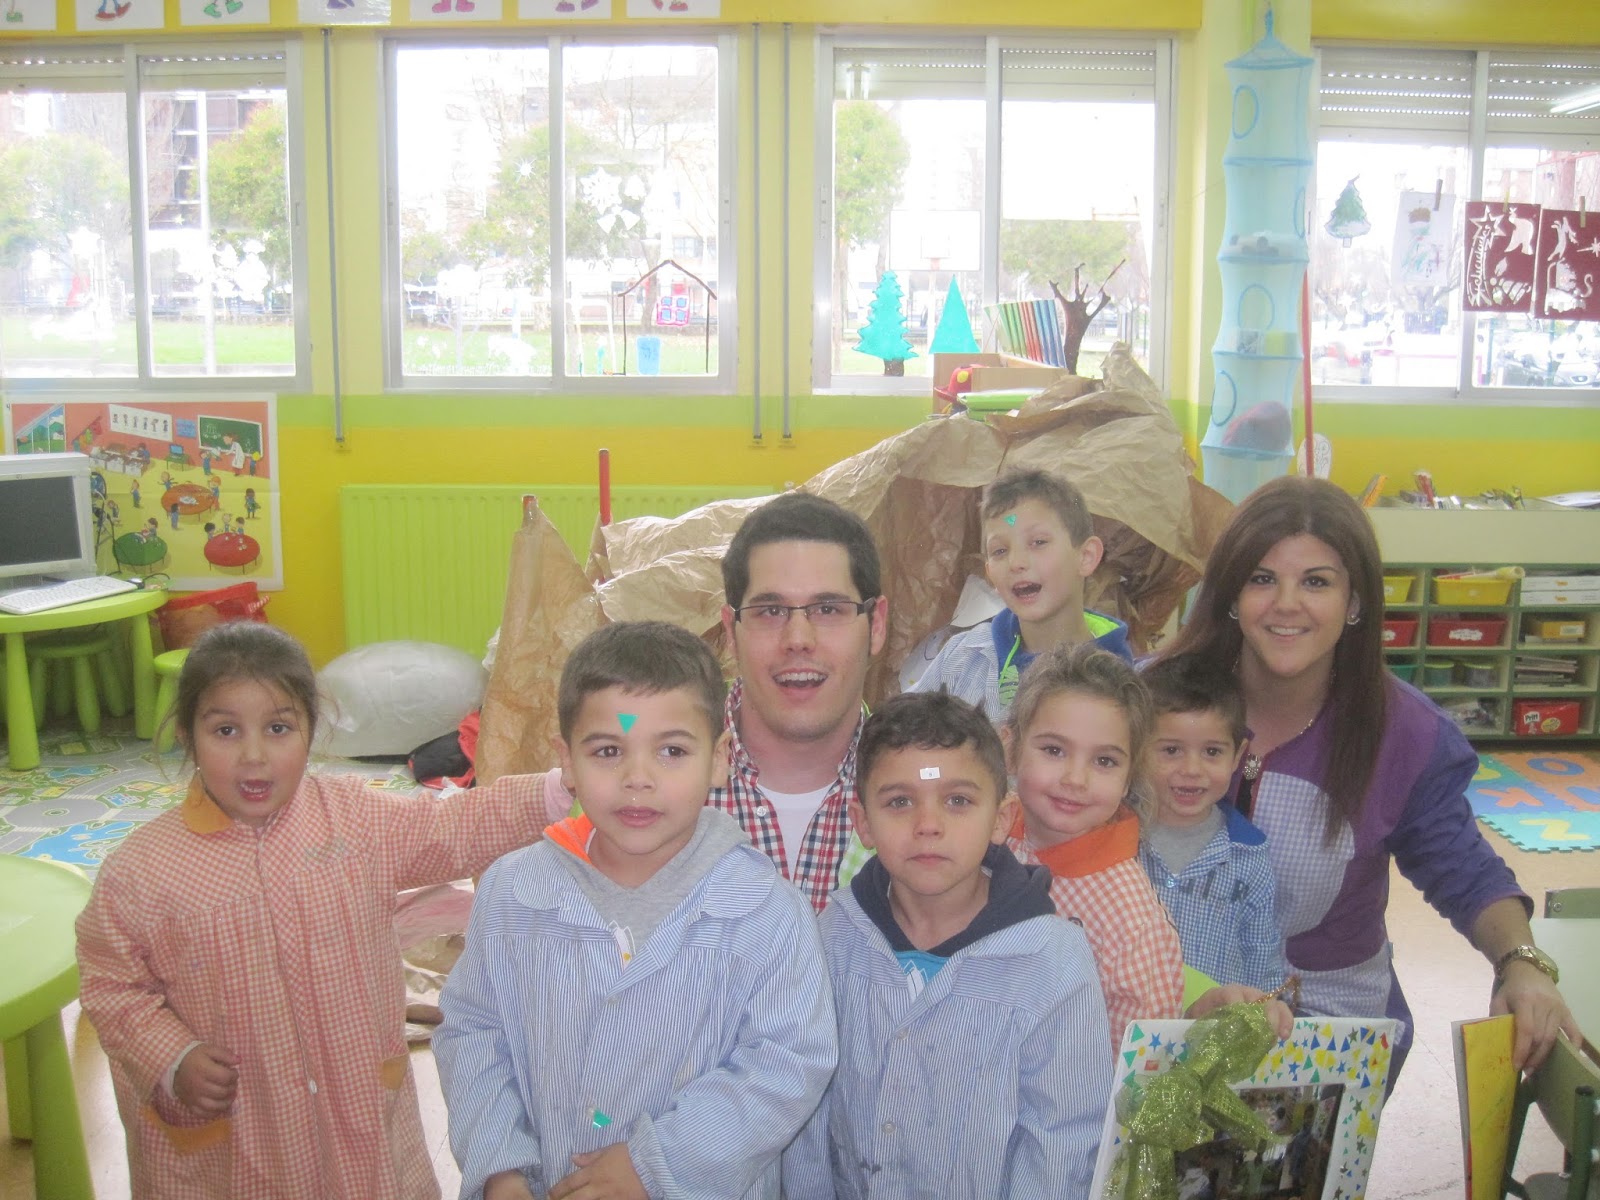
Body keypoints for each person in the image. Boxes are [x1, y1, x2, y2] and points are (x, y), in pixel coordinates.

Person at [75, 621, 565, 1199]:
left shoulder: (353, 820)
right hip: (239, 1135)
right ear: (188, 734)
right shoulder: (142, 873)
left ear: (310, 730)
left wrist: (556, 791)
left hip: (353, 1110)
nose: (254, 756)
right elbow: (111, 984)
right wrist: (171, 1054)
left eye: (279, 728)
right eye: (226, 730)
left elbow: (450, 828)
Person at [1162, 476, 1579, 1074]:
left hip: (1324, 1030)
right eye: (1261, 578)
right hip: (1167, 1010)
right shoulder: (1153, 700)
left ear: (1355, 602)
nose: (1286, 604)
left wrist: (1521, 962)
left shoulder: (1405, 732)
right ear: (1230, 594)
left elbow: (1459, 864)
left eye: (1317, 582)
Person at [435, 622, 836, 1200]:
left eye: (672, 751)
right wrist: (502, 1169)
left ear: (720, 759)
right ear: (566, 763)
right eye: (607, 751)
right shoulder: (513, 895)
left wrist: (658, 1163)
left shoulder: (768, 914)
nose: (638, 779)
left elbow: (789, 1064)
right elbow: (473, 1033)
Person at [782, 691, 1109, 1199]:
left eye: (957, 800)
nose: (928, 825)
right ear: (863, 822)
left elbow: (1063, 1142)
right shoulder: (832, 941)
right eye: (899, 802)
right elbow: (807, 1109)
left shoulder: (1054, 963)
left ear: (1002, 819)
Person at [1003, 641, 1185, 1047]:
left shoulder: (1132, 927)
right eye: (1054, 750)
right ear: (1010, 748)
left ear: (1129, 777)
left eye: (1104, 761)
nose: (1076, 779)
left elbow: (1134, 1076)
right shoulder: (984, 838)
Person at [714, 490, 888, 910]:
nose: (797, 640)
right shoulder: (650, 783)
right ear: (730, 633)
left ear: (877, 625)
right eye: (770, 611)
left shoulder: (923, 798)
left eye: (828, 609)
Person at [908, 469, 1131, 722]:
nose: (1016, 562)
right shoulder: (962, 660)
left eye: (1038, 542)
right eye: (1000, 550)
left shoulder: (1124, 682)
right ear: (990, 573)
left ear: (1086, 556)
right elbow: (902, 734)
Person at [1137, 654, 1285, 994]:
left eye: (1213, 752)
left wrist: (1267, 1011)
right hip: (1127, 1030)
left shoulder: (1249, 856)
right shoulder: (1115, 839)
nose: (1192, 769)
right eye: (1171, 750)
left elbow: (1262, 957)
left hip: (1213, 1035)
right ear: (1137, 748)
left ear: (1237, 756)